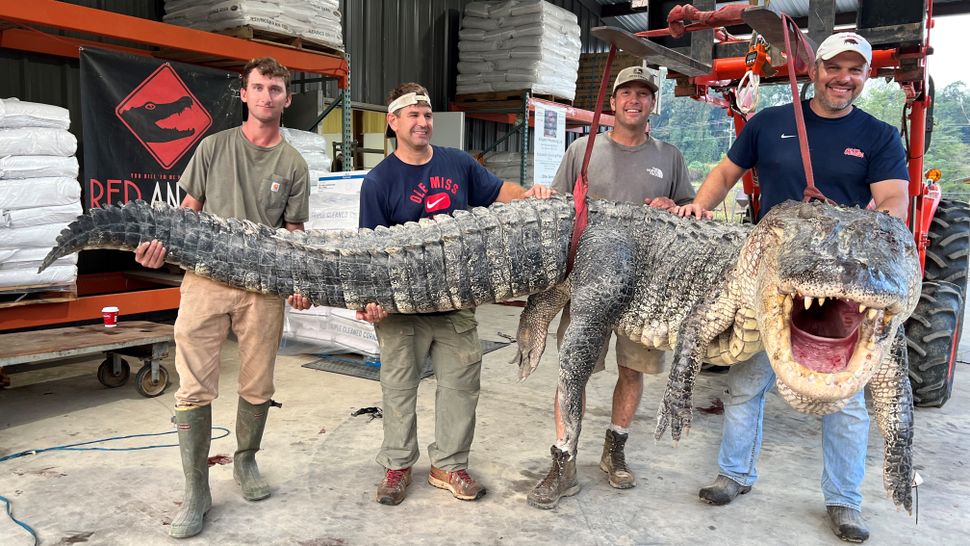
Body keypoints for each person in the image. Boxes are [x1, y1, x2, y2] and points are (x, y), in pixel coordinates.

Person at [675, 32, 908, 543]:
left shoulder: (879, 136)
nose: (843, 79)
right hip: (773, 280)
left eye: (855, 70)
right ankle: (734, 473)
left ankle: (844, 500)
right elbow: (726, 173)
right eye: (834, 67)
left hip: (840, 284)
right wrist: (699, 207)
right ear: (814, 70)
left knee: (846, 400)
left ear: (865, 77)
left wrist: (873, 231)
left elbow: (894, 201)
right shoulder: (769, 123)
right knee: (746, 382)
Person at [133, 57, 313, 539]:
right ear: (244, 93)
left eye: (276, 89)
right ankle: (196, 489)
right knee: (193, 386)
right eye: (259, 87)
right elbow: (186, 216)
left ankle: (246, 460)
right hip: (205, 282)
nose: (266, 96)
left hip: (263, 289)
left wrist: (299, 280)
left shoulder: (293, 164)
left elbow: (293, 234)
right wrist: (160, 248)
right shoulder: (213, 147)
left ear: (287, 99)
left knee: (258, 384)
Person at [356, 82, 553, 506]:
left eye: (427, 114)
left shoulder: (458, 163)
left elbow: (499, 192)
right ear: (393, 122)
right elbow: (370, 252)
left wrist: (530, 194)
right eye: (413, 115)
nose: (423, 122)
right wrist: (370, 302)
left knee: (461, 386)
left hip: (455, 304)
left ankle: (449, 465)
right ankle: (397, 466)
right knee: (398, 388)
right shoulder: (378, 181)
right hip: (402, 311)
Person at [528, 66, 696, 509]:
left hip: (647, 289)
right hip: (588, 285)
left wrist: (674, 206)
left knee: (632, 370)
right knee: (573, 370)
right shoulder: (582, 151)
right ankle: (564, 459)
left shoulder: (670, 157)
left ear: (653, 103)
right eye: (626, 93)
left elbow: (690, 213)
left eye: (643, 94)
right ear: (613, 101)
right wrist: (542, 197)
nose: (634, 101)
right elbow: (559, 210)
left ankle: (614, 448)